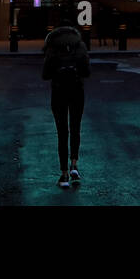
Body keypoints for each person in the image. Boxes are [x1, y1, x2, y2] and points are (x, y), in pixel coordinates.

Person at [42, 22, 91, 187]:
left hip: (59, 91)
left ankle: (63, 175)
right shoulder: (79, 45)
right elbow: (86, 71)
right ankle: (74, 165)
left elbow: (45, 74)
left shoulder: (52, 47)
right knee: (75, 127)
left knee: (62, 132)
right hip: (77, 90)